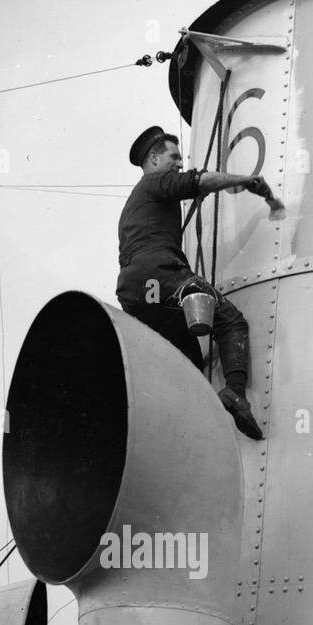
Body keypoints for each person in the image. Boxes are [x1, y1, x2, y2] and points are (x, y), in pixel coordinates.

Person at [116, 124, 266, 441]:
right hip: (161, 273)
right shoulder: (156, 182)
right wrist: (246, 181)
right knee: (230, 321)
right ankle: (236, 393)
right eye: (174, 157)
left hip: (136, 292)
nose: (180, 163)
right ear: (154, 159)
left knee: (186, 360)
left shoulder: (135, 202)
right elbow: (202, 180)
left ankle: (181, 422)